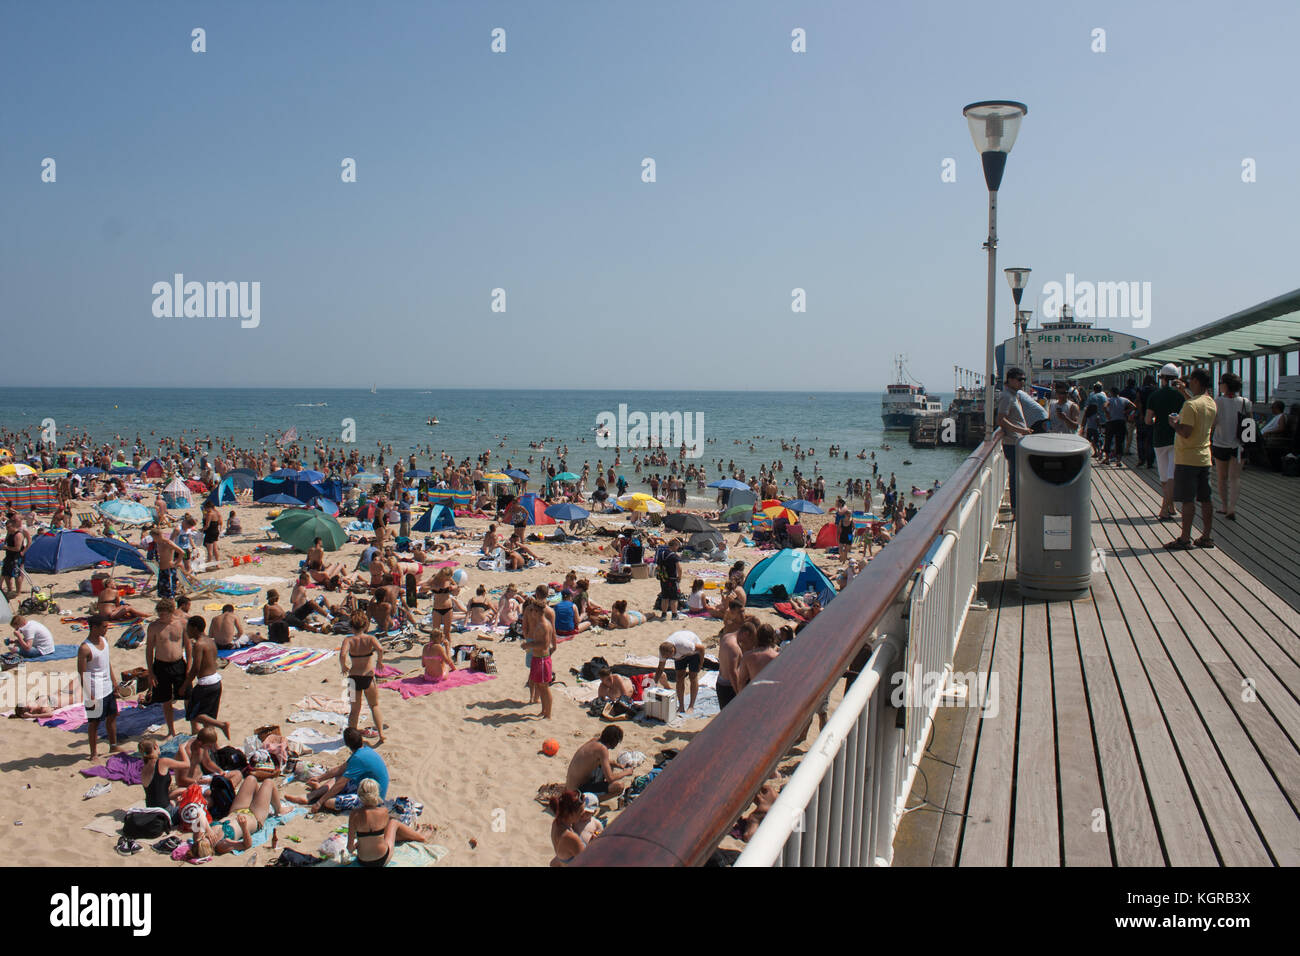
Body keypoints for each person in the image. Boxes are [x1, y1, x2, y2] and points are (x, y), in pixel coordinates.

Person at [1165, 368, 1217, 551]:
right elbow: (1196, 408)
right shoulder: (1210, 402)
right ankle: (1206, 537)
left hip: (1187, 458)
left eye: (1190, 380)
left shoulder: (1190, 406)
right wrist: (1183, 392)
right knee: (1206, 499)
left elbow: (1185, 432)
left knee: (1188, 500)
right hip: (1205, 457)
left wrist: (1174, 424)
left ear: (1195, 381)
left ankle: (1185, 538)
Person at [287, 728, 390, 812]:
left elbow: (341, 783)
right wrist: (319, 778)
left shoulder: (358, 758)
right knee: (337, 778)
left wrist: (320, 802)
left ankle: (318, 795)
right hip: (365, 786)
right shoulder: (364, 750)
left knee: (329, 802)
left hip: (373, 797)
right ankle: (310, 796)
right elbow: (341, 769)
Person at [348, 777, 429, 866]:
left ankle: (414, 835)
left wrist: (359, 843)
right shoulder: (383, 812)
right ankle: (420, 837)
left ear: (360, 794)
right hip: (382, 859)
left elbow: (350, 848)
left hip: (363, 861)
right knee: (393, 823)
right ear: (376, 794)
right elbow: (384, 835)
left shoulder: (354, 815)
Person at [77, 615, 122, 760]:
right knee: (94, 724)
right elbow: (82, 673)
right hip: (95, 691)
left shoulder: (105, 640)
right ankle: (93, 753)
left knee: (112, 716)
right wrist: (89, 694)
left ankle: (113, 744)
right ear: (94, 627)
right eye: (104, 626)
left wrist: (114, 682)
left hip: (107, 686)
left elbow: (106, 663)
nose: (107, 629)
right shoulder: (85, 648)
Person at [204, 777, 286, 854]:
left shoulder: (204, 834)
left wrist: (207, 830)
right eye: (206, 842)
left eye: (203, 840)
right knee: (268, 782)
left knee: (251, 779)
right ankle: (279, 809)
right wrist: (244, 827)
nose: (206, 839)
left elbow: (199, 816)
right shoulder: (221, 845)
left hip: (236, 811)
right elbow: (246, 845)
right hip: (255, 817)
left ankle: (260, 800)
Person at [1145, 365, 1185, 521]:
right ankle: (1167, 506)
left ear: (1161, 378)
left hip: (1159, 438)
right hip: (1176, 437)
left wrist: (1157, 419)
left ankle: (1167, 506)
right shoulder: (1181, 396)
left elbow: (1148, 420)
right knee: (1172, 474)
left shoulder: (1154, 396)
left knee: (1164, 475)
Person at [180, 615, 230, 738]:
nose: (187, 631)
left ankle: (222, 725)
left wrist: (185, 685)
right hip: (216, 681)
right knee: (209, 718)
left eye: (188, 628)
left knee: (193, 714)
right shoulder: (210, 641)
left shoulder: (199, 645)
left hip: (205, 683)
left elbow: (196, 668)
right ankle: (213, 746)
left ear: (195, 628)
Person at [145, 597, 188, 738]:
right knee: (166, 699)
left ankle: (193, 726)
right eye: (159, 614)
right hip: (161, 665)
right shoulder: (154, 627)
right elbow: (149, 649)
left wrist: (190, 666)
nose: (160, 617)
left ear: (171, 612)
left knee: (188, 695)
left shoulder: (181, 624)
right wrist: (150, 672)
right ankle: (171, 730)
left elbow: (188, 646)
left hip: (178, 663)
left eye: (163, 614)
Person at [341, 610, 385, 743]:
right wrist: (379, 661)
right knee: (374, 706)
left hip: (354, 678)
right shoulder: (370, 638)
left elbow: (343, 654)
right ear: (365, 625)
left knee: (354, 710)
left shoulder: (349, 640)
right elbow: (380, 649)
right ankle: (381, 734)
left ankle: (351, 738)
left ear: (352, 626)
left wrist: (343, 666)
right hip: (368, 676)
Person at [1211, 372, 1249, 522]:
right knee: (1235, 478)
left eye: (1221, 382)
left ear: (1225, 385)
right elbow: (1249, 424)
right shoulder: (1246, 402)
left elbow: (1213, 424)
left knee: (1222, 477)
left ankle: (1224, 506)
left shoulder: (1217, 401)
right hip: (1239, 445)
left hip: (1220, 443)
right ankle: (1232, 507)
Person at [565, 726, 634, 799]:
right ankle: (591, 801)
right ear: (614, 741)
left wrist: (619, 765)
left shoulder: (594, 741)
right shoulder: (602, 750)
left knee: (609, 765)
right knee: (619, 787)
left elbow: (600, 761)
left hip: (571, 785)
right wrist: (626, 772)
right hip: (577, 792)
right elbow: (610, 778)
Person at [996, 368, 1032, 508]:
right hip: (1012, 442)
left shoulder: (1014, 394)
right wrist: (1021, 430)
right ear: (1010, 379)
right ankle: (1016, 507)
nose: (1022, 382)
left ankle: (1018, 505)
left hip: (1018, 441)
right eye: (1019, 379)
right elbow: (1001, 419)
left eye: (1024, 379)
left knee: (1019, 475)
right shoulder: (1007, 396)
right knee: (1016, 476)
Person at [654, 630, 706, 715]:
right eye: (666, 658)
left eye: (669, 657)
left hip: (694, 653)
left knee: (693, 676)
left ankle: (691, 706)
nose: (667, 659)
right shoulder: (663, 651)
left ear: (673, 651)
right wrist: (654, 682)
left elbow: (701, 648)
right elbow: (660, 668)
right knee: (679, 677)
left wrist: (701, 664)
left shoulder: (685, 645)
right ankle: (681, 706)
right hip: (680, 656)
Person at [548, 788, 602, 866]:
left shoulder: (556, 823)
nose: (583, 813)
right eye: (581, 811)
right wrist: (593, 844)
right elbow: (587, 862)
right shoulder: (571, 837)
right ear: (570, 814)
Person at [522, 599, 555, 719]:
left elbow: (545, 645)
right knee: (540, 687)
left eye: (532, 611)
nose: (531, 614)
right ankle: (543, 710)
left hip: (542, 659)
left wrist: (528, 645)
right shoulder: (539, 624)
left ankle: (548, 713)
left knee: (544, 688)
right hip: (537, 658)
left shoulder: (544, 625)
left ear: (537, 612)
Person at [138, 739, 189, 810]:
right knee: (189, 791)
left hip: (150, 808)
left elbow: (157, 792)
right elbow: (187, 764)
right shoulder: (163, 762)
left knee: (180, 793)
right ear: (155, 747)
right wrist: (182, 749)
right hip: (164, 809)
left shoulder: (144, 768)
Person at [737, 622, 781, 691]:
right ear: (773, 638)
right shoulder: (778, 657)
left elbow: (741, 682)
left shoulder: (748, 656)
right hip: (772, 693)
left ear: (757, 637)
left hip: (754, 692)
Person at [1104, 386, 1135, 466]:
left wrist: (1107, 414)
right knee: (1120, 441)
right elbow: (1133, 406)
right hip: (1121, 422)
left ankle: (1107, 459)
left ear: (1111, 393)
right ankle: (1118, 460)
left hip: (1111, 422)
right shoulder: (1124, 400)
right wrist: (1125, 412)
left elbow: (1104, 406)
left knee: (1108, 440)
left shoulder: (1109, 400)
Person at [654, 537, 683, 620]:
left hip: (663, 578)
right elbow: (679, 568)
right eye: (677, 546)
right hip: (672, 579)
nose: (678, 548)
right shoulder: (674, 556)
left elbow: (658, 566)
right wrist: (679, 577)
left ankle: (664, 614)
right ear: (674, 546)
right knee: (674, 598)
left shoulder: (661, 554)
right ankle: (674, 615)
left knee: (664, 597)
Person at [2, 514, 30, 598]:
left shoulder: (19, 534)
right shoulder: (9, 533)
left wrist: (23, 551)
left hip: (16, 556)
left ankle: (18, 591)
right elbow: (7, 541)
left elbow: (18, 548)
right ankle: (10, 589)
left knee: (17, 575)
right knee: (6, 574)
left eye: (8, 528)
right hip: (9, 556)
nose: (7, 529)